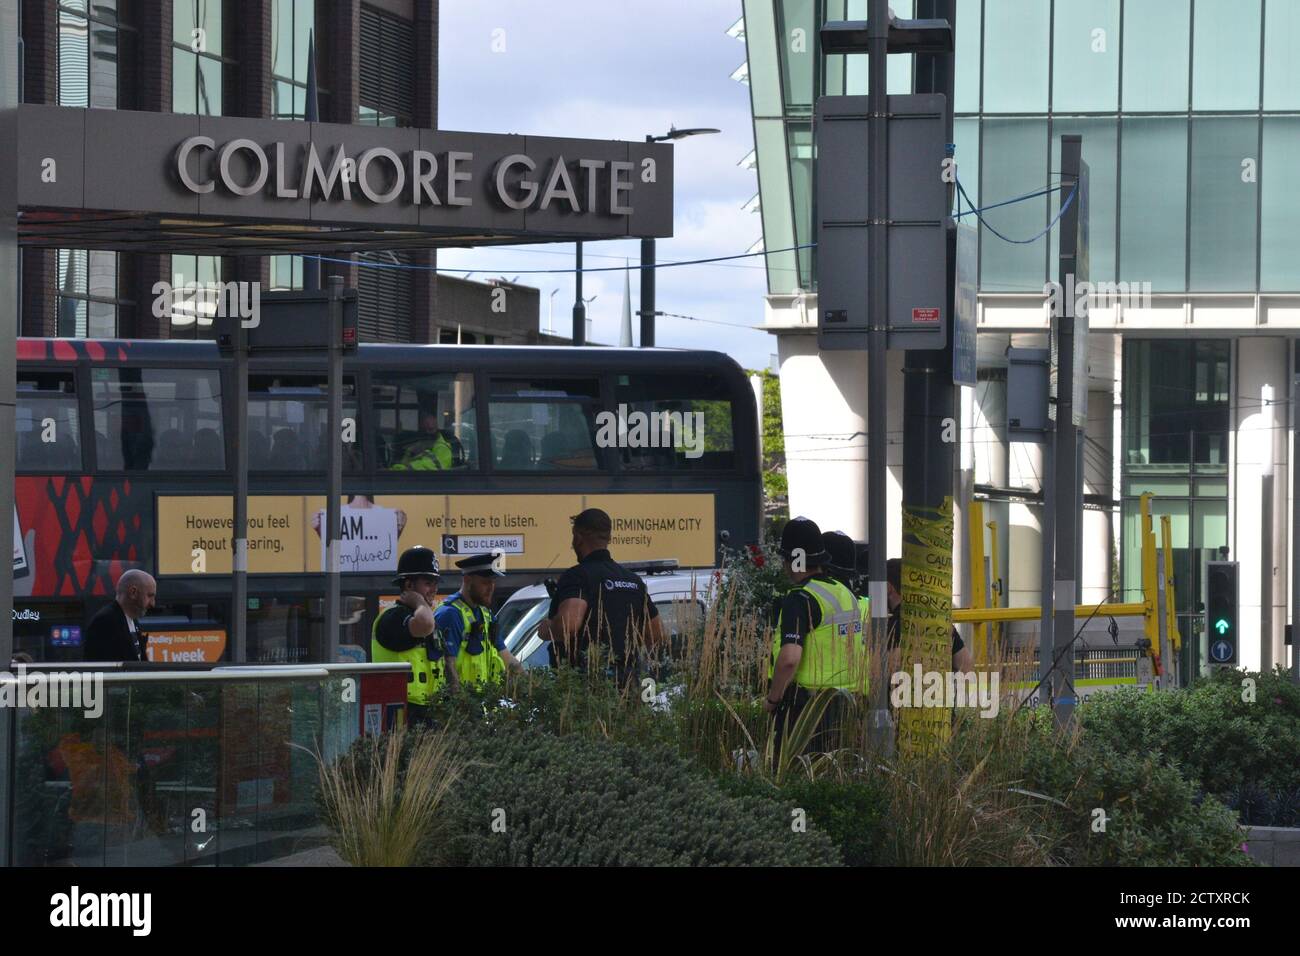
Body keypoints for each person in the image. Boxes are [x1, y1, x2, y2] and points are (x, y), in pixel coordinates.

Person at [765, 517, 865, 764]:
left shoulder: (800, 598)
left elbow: (789, 659)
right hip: (845, 705)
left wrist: (772, 699)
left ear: (794, 559)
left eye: (785, 559)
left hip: (806, 709)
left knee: (797, 777)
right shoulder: (845, 595)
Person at [537, 508, 665, 687]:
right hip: (628, 688)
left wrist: (547, 628)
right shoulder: (633, 581)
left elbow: (569, 625)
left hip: (586, 691)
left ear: (578, 537)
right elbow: (657, 635)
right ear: (608, 538)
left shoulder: (578, 576)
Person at [370, 546, 441, 725]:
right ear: (409, 585)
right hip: (399, 708)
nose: (434, 589)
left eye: (435, 583)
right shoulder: (392, 617)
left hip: (427, 709)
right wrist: (418, 601)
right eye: (428, 583)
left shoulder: (423, 615)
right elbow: (425, 625)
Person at [435, 552, 521, 692]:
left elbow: (506, 657)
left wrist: (533, 687)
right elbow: (447, 665)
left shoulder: (486, 614)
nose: (491, 588)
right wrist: (459, 704)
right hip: (461, 707)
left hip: (481, 705)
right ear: (468, 580)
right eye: (485, 582)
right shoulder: (450, 614)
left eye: (493, 582)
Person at [885, 557, 973, 673]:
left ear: (888, 588)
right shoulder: (939, 621)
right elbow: (966, 665)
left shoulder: (892, 627)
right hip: (941, 687)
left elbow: (891, 671)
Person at [84, 569, 156, 662]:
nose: (153, 604)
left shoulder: (132, 620)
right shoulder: (105, 622)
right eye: (150, 596)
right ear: (133, 592)